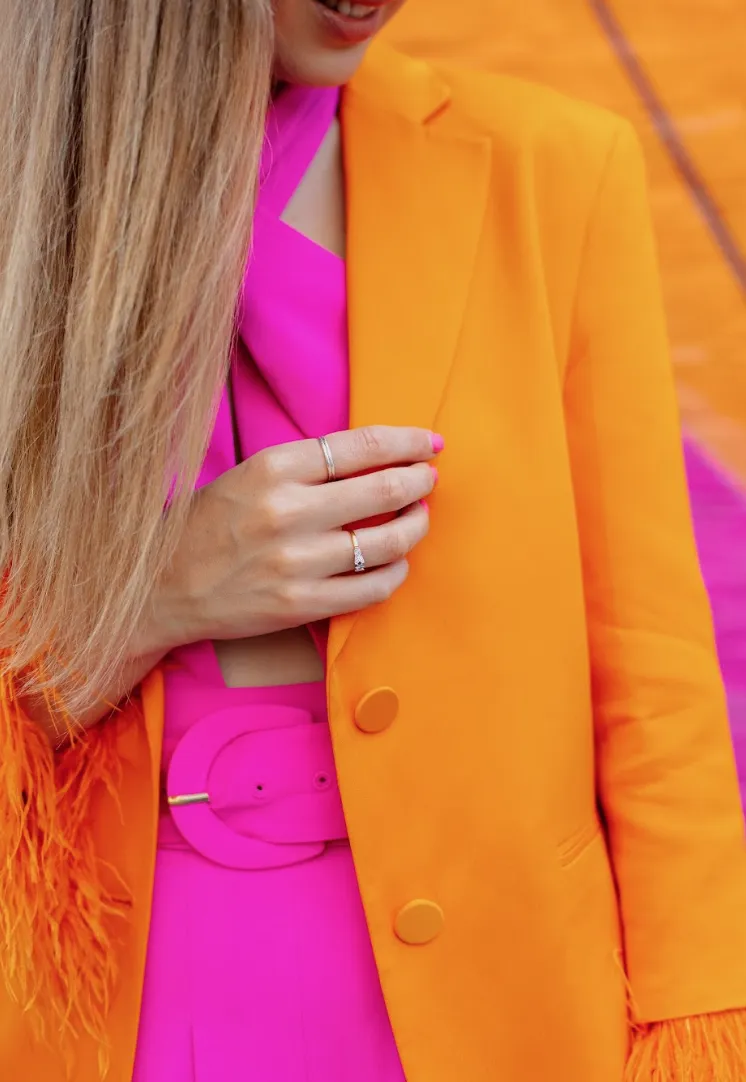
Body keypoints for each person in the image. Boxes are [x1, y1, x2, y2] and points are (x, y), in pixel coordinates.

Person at [1, 2, 745, 1080]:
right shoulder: (24, 197)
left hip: (508, 994)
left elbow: (651, 679)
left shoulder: (551, 167)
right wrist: (157, 592)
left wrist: (699, 1020)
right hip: (114, 992)